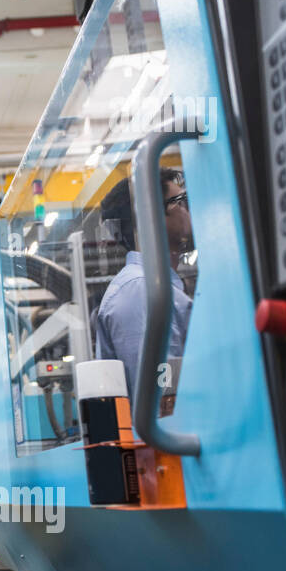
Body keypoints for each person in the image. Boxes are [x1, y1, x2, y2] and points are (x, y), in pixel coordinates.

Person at [94, 167, 194, 402]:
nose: (188, 211)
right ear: (152, 217)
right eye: (180, 202)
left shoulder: (153, 287)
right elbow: (164, 402)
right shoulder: (141, 292)